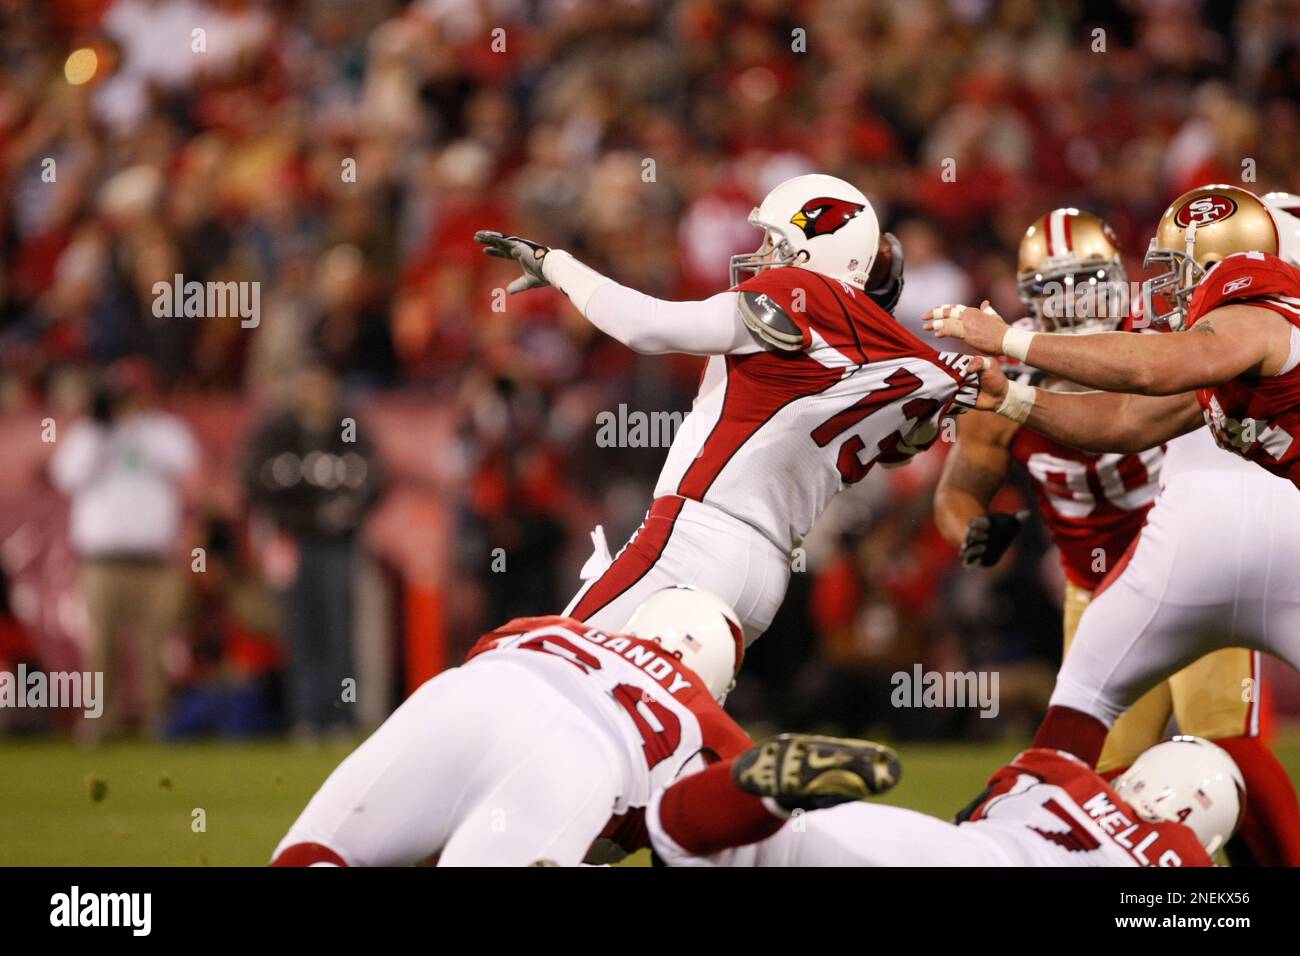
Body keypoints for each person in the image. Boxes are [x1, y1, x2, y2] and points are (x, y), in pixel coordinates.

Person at [926, 186, 1300, 864]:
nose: (1164, 291)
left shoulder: (1250, 320)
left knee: (1223, 742)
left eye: (1179, 272)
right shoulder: (1217, 340)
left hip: (1215, 551)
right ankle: (1012, 841)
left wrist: (1012, 338)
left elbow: (1159, 369)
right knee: (1093, 764)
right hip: (1136, 573)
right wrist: (1012, 392)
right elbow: (1127, 421)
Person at [476, 173, 979, 644]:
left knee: (557, 661)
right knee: (651, 719)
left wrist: (555, 264)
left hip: (696, 536)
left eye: (774, 243)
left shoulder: (801, 295)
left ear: (814, 250)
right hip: (765, 573)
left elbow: (647, 327)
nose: (760, 255)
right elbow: (904, 448)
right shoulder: (906, 359)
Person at [271, 587, 898, 866]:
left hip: (474, 690)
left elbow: (484, 735)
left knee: (323, 853)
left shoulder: (548, 625)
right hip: (585, 755)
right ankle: (769, 783)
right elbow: (691, 830)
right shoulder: (701, 711)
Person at [648, 735, 1243, 868]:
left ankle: (770, 804)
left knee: (696, 844)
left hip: (950, 851)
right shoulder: (1182, 859)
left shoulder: (1060, 771)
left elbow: (975, 813)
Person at [49, 356, 197, 741]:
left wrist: (136, 429)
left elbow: (183, 461)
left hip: (153, 559)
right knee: (100, 647)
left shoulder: (164, 430)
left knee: (156, 645)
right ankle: (100, 720)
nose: (128, 401)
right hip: (102, 559)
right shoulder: (89, 433)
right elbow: (67, 476)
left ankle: (158, 720)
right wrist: (103, 431)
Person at [242, 359, 382, 739]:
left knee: (339, 631)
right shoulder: (277, 431)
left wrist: (343, 513)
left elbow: (373, 480)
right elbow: (256, 480)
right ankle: (305, 717)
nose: (316, 395)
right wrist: (306, 509)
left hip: (339, 545)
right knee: (302, 631)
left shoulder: (348, 429)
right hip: (295, 543)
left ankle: (340, 716)